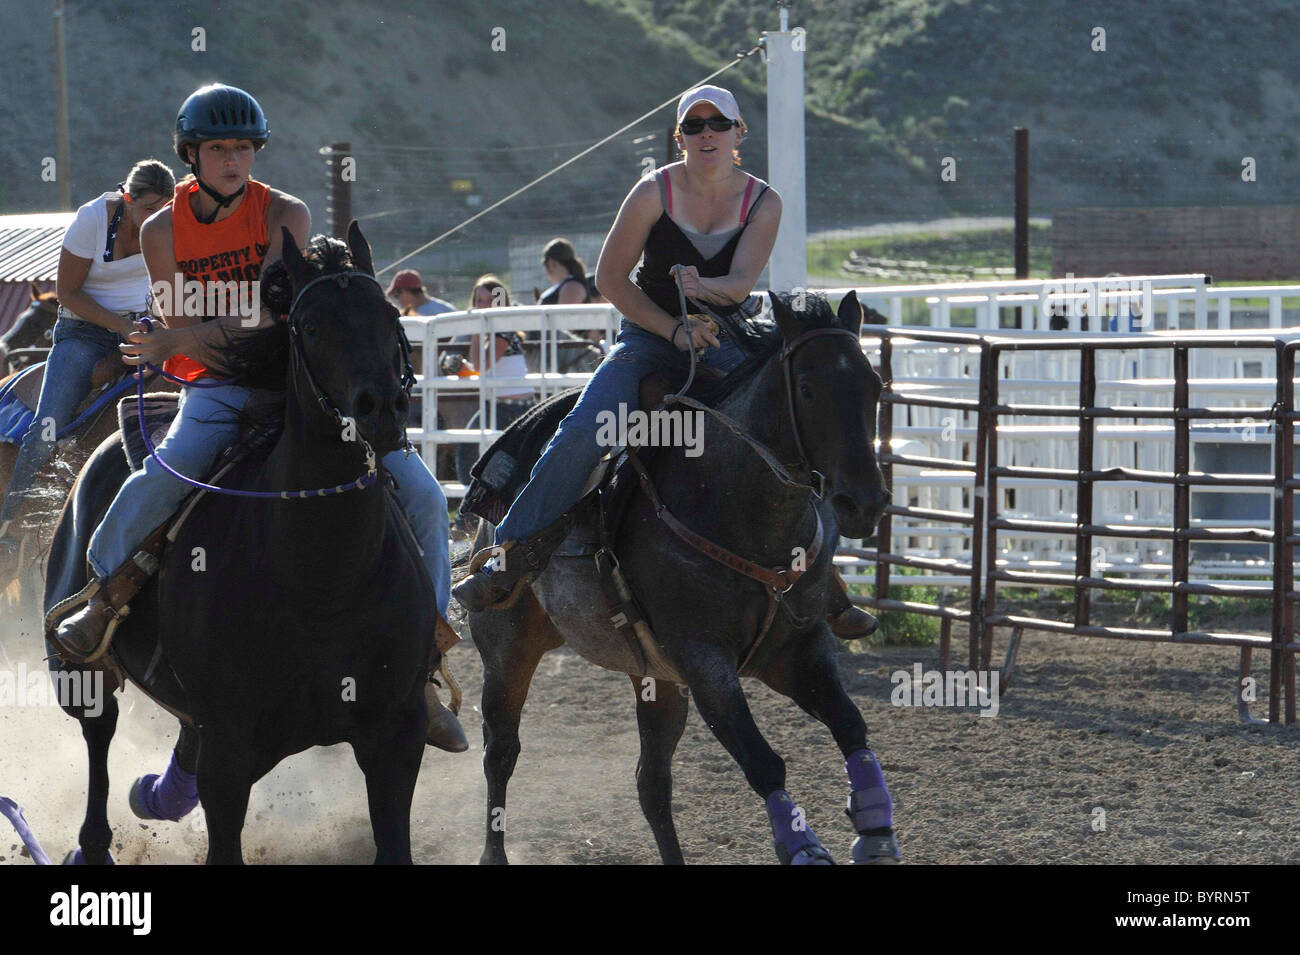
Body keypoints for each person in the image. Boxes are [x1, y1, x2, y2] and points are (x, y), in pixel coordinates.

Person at [51, 84, 466, 751]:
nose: (233, 159)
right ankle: (104, 598)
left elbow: (278, 316)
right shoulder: (161, 230)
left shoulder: (286, 214)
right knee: (160, 479)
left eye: (243, 147)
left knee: (422, 495)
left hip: (296, 382)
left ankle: (425, 657)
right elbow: (198, 327)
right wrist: (197, 338)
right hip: (216, 389)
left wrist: (186, 339)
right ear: (192, 155)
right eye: (218, 148)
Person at [453, 84, 781, 611]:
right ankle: (507, 556)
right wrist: (674, 328)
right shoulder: (653, 191)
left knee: (779, 419)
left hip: (722, 338)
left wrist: (699, 291)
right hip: (647, 338)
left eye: (717, 124)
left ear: (738, 132)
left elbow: (741, 286)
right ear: (680, 138)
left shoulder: (765, 200)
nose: (706, 134)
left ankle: (810, 570)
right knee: (586, 428)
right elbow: (610, 277)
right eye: (693, 126)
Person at [0, 160, 175, 565]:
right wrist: (121, 326)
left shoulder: (171, 223)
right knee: (48, 426)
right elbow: (68, 292)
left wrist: (171, 330)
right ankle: (9, 530)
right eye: (149, 209)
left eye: (165, 208)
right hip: (84, 331)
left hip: (147, 325)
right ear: (128, 200)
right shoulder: (92, 219)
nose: (158, 218)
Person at [455, 275, 536, 485]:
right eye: (478, 300)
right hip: (500, 405)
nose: (481, 305)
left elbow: (482, 366)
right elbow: (481, 368)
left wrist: (474, 334)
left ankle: (470, 505)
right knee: (472, 448)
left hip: (511, 407)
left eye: (487, 299)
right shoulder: (497, 331)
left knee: (472, 450)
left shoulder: (504, 329)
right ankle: (472, 504)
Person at [387, 269, 454, 316]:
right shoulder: (447, 309)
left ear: (406, 292)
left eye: (396, 295)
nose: (398, 300)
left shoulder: (444, 312)